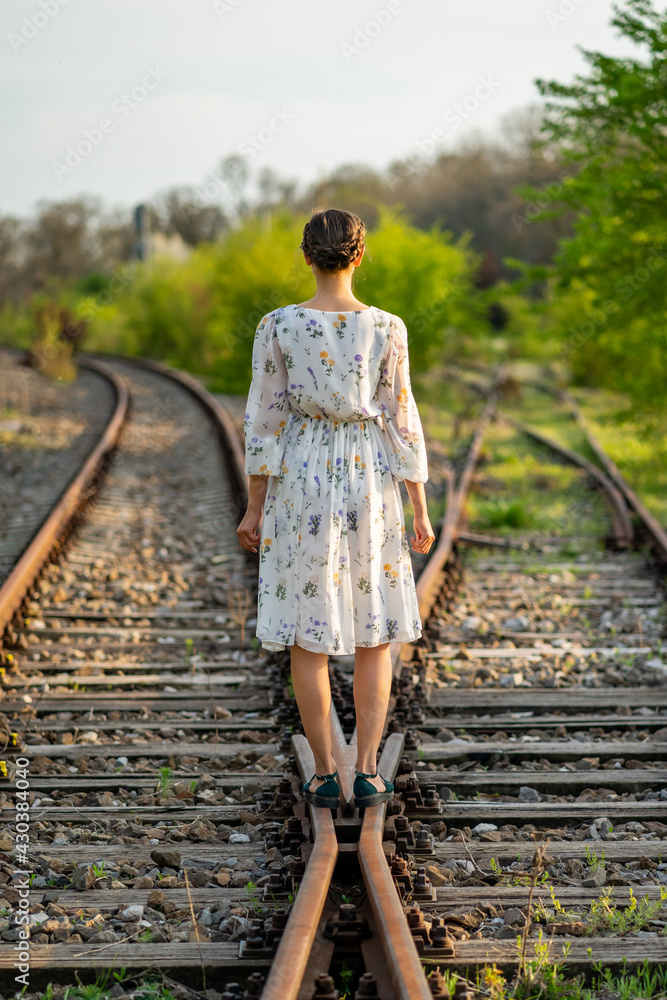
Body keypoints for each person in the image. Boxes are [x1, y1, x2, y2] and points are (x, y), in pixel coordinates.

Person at [237, 207, 435, 809]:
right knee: (376, 627)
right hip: (369, 475)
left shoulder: (278, 324)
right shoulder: (388, 327)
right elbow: (404, 420)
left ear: (306, 257)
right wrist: (420, 504)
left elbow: (263, 420)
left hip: (301, 474)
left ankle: (325, 772)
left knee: (308, 630)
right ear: (359, 255)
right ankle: (369, 769)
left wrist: (253, 507)